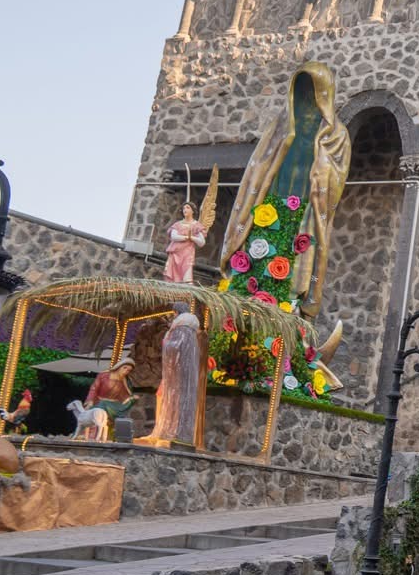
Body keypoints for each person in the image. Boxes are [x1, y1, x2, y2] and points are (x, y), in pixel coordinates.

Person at [218, 63, 351, 318]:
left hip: (304, 215)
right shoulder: (280, 127)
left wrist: (322, 166)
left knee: (290, 276)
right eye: (301, 91)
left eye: (312, 91)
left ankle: (284, 318)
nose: (306, 98)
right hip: (266, 208)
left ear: (324, 94)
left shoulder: (337, 135)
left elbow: (336, 178)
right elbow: (259, 167)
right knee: (253, 264)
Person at [143, 304, 202, 446]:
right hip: (185, 371)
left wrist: (166, 342)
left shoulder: (182, 327)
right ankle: (179, 432)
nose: (173, 315)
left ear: (178, 312)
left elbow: (175, 347)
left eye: (174, 312)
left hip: (179, 371)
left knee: (178, 400)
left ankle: (177, 432)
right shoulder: (190, 329)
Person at [83, 356, 138, 439]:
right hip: (100, 403)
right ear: (119, 366)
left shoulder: (125, 381)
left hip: (115, 406)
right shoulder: (103, 375)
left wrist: (132, 399)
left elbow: (125, 397)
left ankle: (111, 438)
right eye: (125, 368)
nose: (126, 371)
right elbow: (94, 388)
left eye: (128, 370)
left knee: (119, 420)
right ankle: (92, 436)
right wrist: (90, 400)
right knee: (98, 413)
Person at [163, 203, 209, 284]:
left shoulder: (197, 225)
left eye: (187, 208)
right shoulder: (177, 224)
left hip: (187, 253)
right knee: (171, 276)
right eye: (184, 208)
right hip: (175, 253)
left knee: (187, 276)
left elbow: (202, 242)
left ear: (193, 211)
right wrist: (186, 237)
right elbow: (174, 236)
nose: (185, 210)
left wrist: (192, 238)